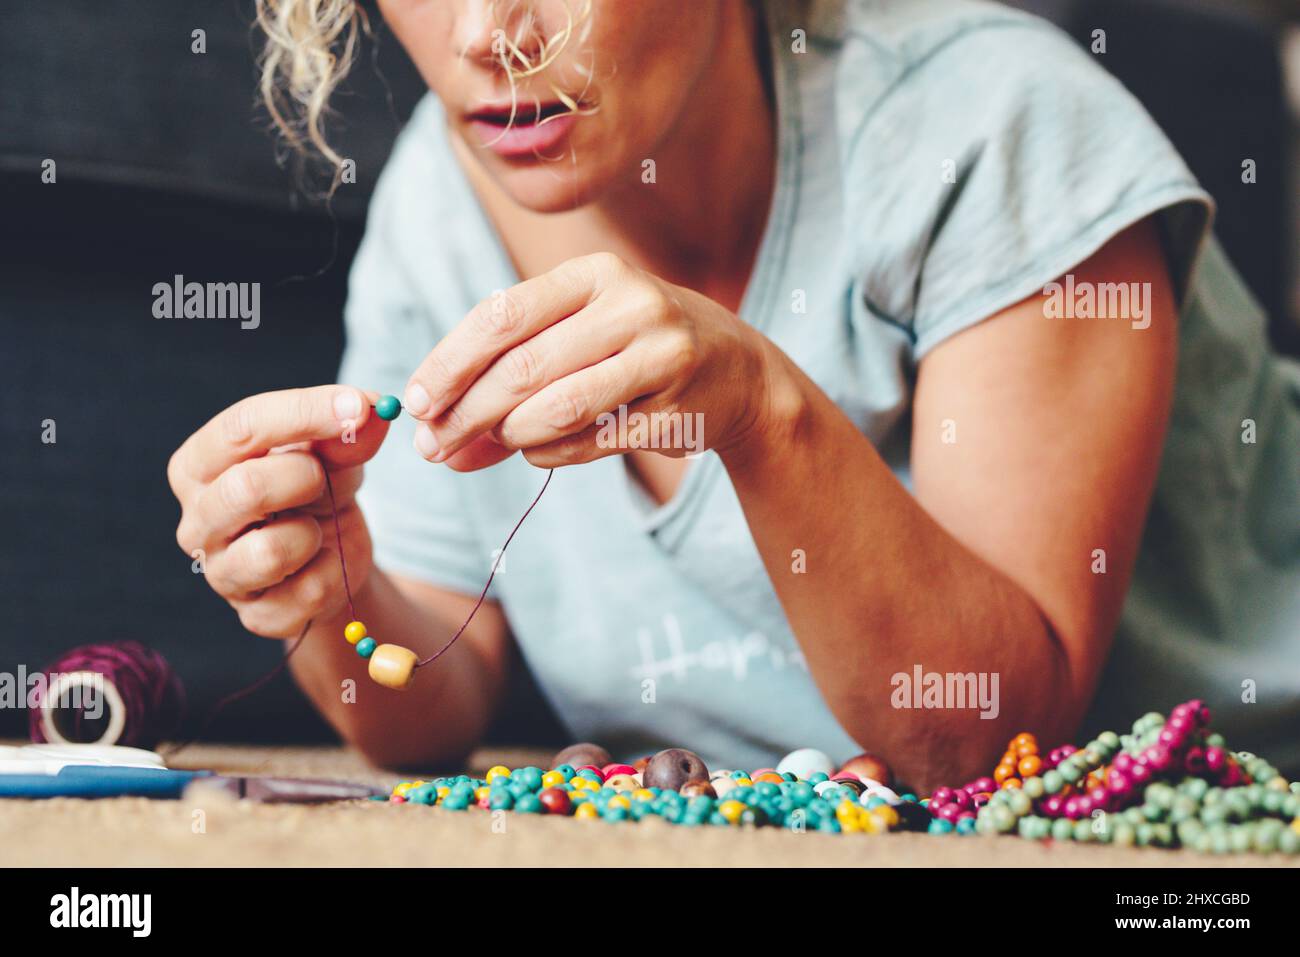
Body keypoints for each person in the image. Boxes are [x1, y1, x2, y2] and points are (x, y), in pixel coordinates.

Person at [167, 0, 1300, 786]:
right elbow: (431, 702)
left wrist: (758, 407)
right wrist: (324, 585)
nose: (483, 39)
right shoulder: (438, 193)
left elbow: (987, 748)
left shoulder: (997, 126)